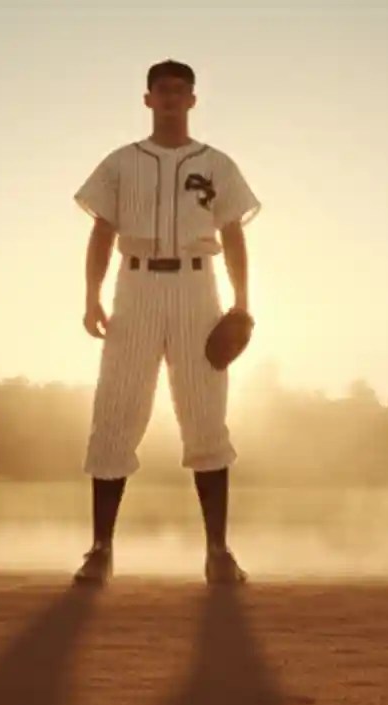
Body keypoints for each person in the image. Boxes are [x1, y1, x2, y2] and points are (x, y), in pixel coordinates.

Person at [71, 59, 261, 586]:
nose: (172, 97)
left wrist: (242, 303)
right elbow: (102, 231)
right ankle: (100, 549)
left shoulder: (217, 163)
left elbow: (234, 233)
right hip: (134, 286)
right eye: (163, 89)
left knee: (205, 413)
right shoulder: (121, 163)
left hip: (199, 287)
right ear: (148, 99)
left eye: (181, 90)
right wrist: (91, 295)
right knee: (116, 407)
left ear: (193, 100)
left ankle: (218, 552)